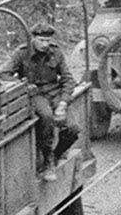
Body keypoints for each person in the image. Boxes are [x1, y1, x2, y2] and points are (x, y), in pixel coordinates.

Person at [5, 22, 78, 181]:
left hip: (54, 91)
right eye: (41, 40)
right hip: (35, 93)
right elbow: (4, 74)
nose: (45, 44)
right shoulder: (22, 53)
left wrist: (63, 103)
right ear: (34, 39)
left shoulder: (56, 52)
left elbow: (68, 79)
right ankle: (47, 160)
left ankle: (56, 154)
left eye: (47, 40)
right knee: (46, 117)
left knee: (73, 129)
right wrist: (22, 86)